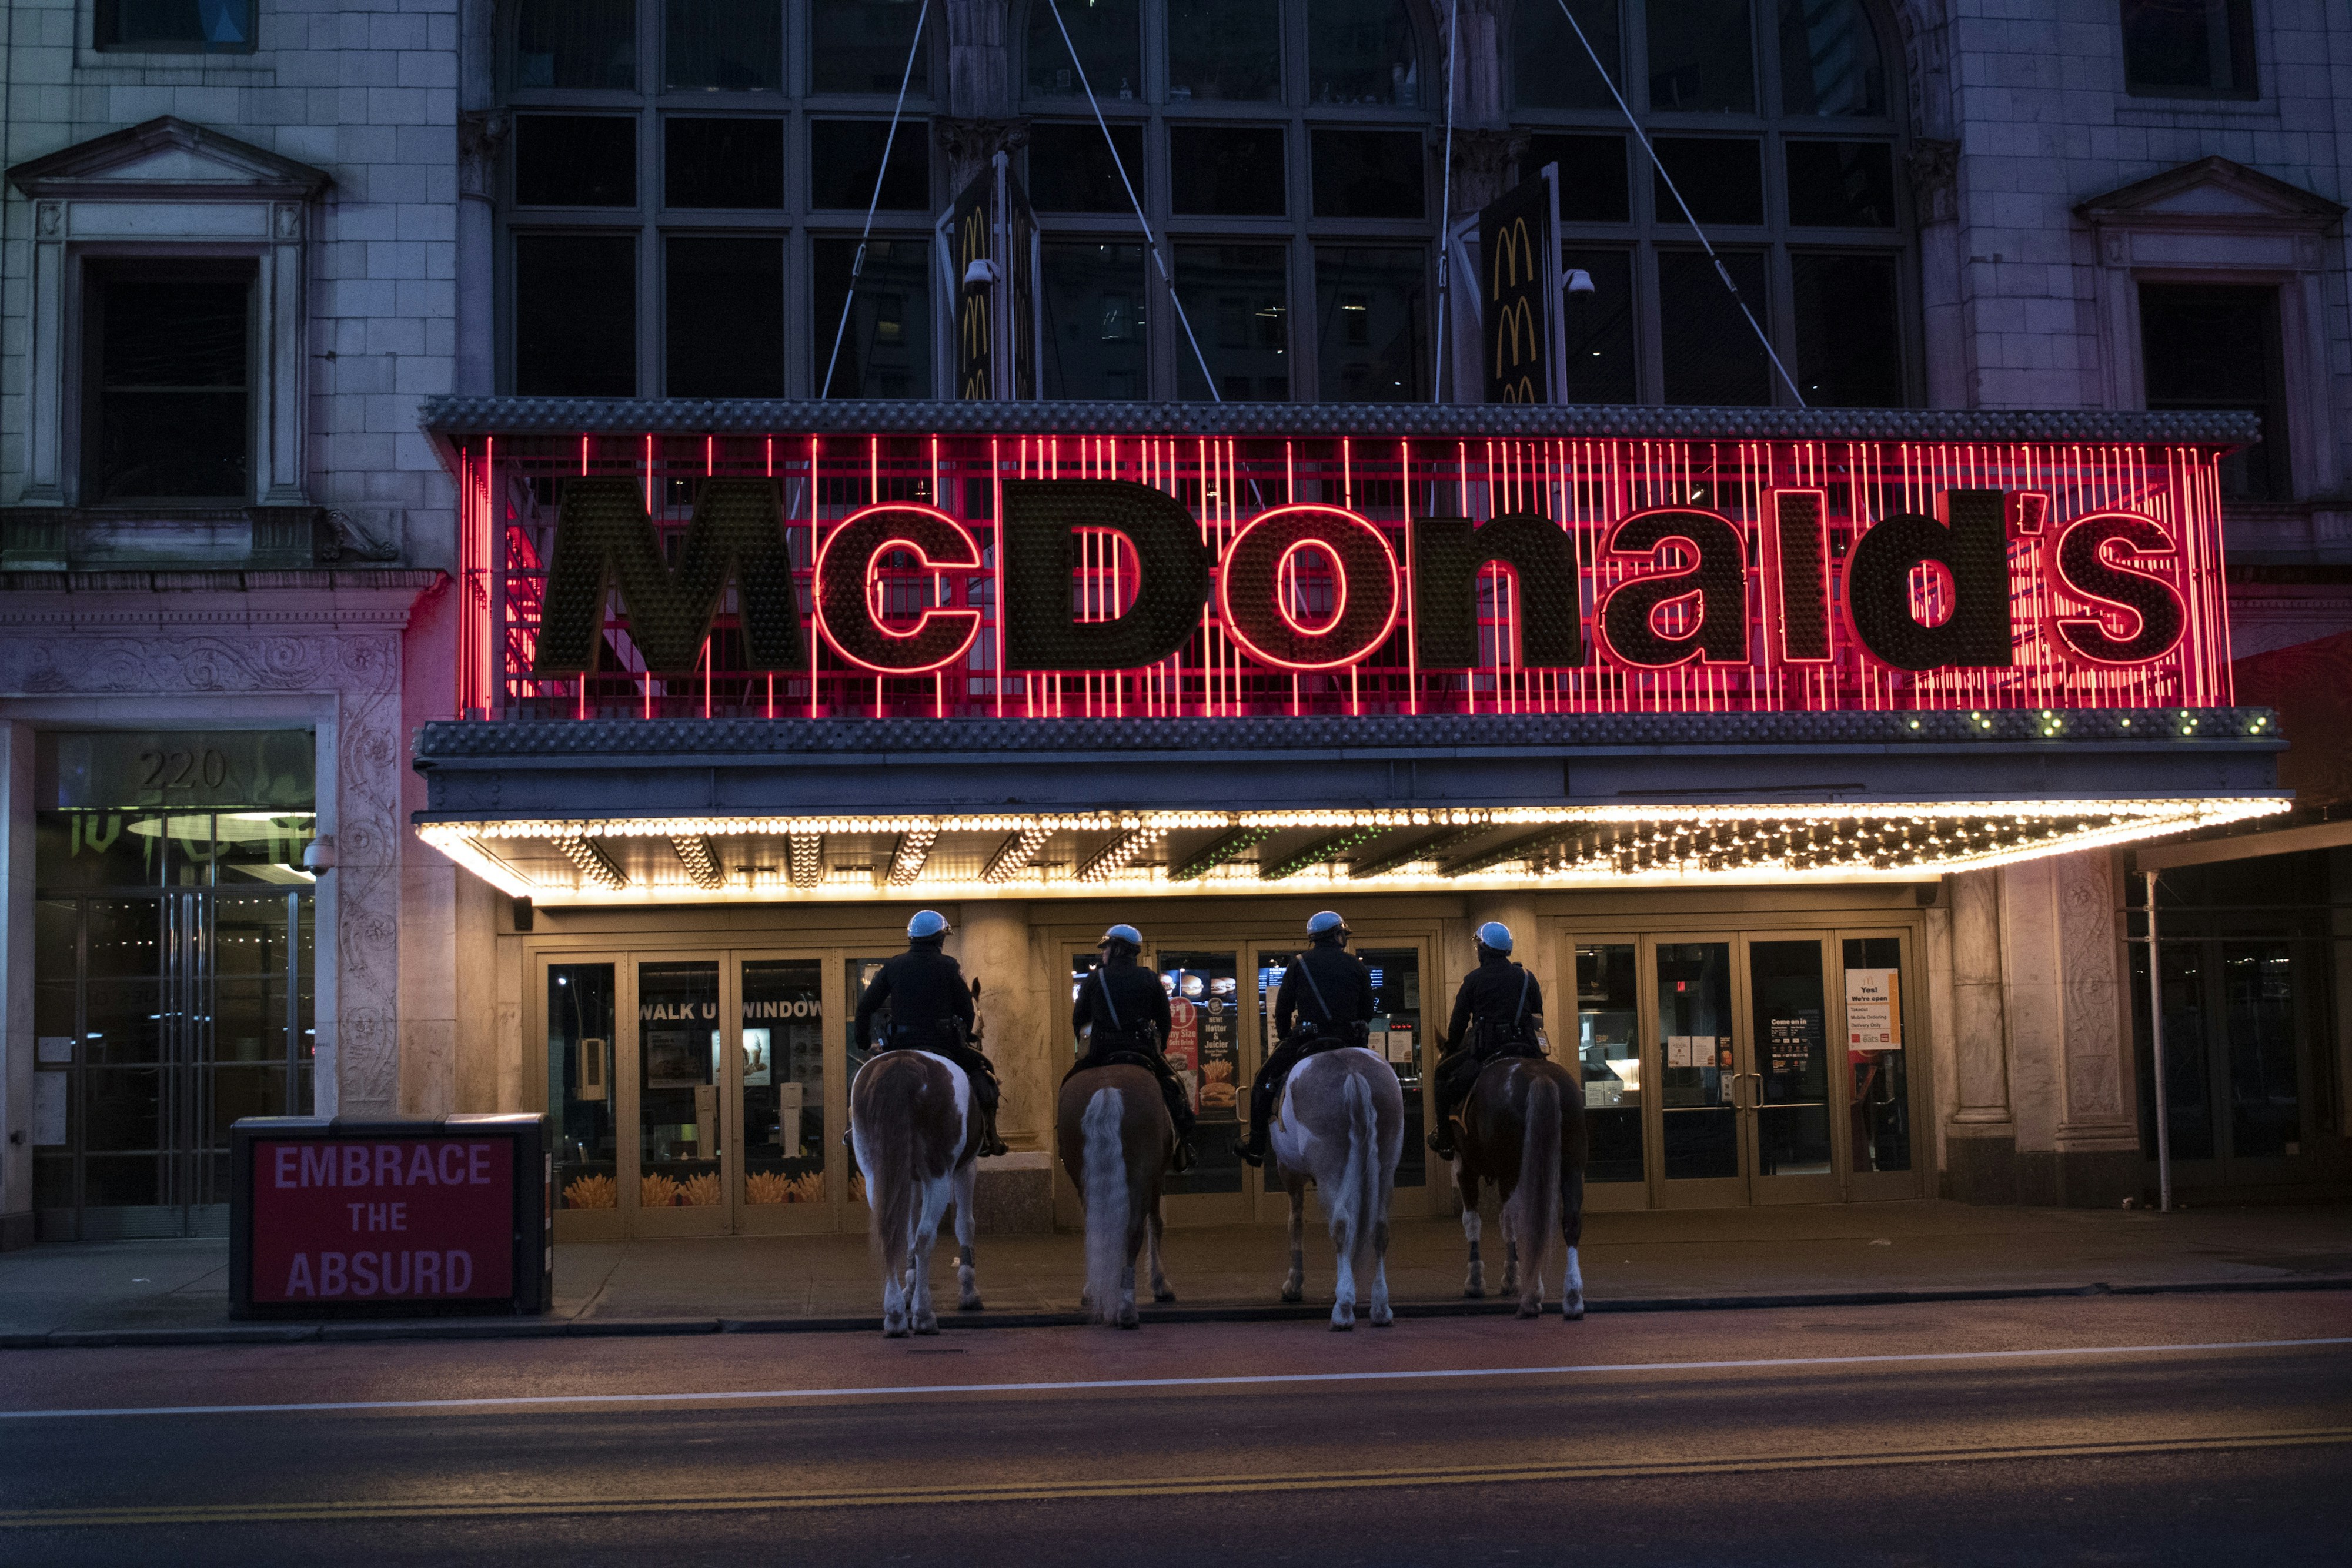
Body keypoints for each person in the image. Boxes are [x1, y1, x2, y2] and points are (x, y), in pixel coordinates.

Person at [854, 910, 1008, 1158]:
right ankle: (988, 1136)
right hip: (943, 1044)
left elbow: (865, 1007)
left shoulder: (893, 965)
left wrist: (863, 1042)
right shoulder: (949, 966)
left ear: (912, 939)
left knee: (867, 1080)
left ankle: (857, 1131)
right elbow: (966, 1010)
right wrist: (966, 1035)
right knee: (983, 1070)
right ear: (939, 940)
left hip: (899, 1045)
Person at [1234, 910, 1375, 1168]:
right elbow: (1368, 1012)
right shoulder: (1357, 965)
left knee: (1263, 1081)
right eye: (1343, 933)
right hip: (1349, 1040)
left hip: (1308, 1038)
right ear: (1336, 935)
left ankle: (1255, 1147)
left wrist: (1286, 1035)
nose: (1344, 937)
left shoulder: (1299, 963)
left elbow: (1284, 1008)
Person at [1066, 924, 1200, 1173]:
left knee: (1069, 1084)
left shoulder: (1096, 979)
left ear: (1117, 949)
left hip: (1101, 1052)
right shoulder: (1150, 978)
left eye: (1106, 947)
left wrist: (1086, 1042)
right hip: (1142, 1052)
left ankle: (1066, 1144)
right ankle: (1184, 1147)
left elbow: (1079, 1019)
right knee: (1176, 1091)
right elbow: (1164, 1020)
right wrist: (1162, 1046)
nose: (1103, 953)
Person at [1426, 921, 1547, 1161]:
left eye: (1478, 948)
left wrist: (1451, 1046)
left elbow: (1459, 1022)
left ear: (1483, 949)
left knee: (1441, 1074)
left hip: (1487, 1049)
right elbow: (1538, 1016)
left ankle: (1446, 1139)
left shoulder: (1473, 979)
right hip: (1526, 1048)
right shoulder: (1526, 976)